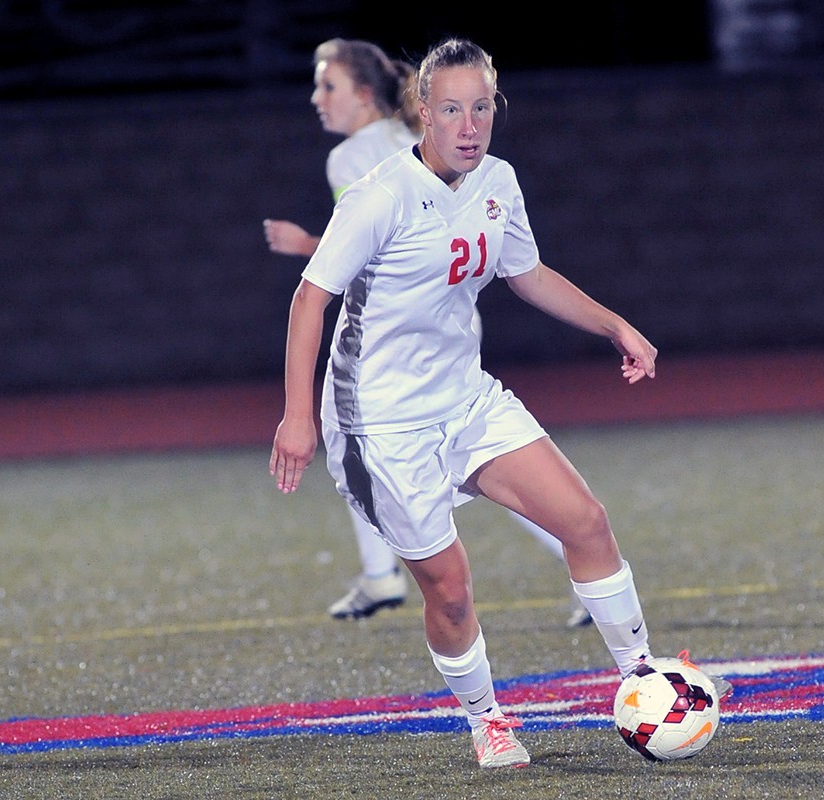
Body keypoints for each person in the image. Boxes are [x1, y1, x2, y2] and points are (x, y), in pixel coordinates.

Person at [269, 37, 660, 769]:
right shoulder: (381, 195)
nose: (469, 125)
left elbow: (528, 273)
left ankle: (644, 679)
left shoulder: (498, 183)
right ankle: (488, 722)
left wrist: (615, 325)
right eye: (451, 109)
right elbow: (309, 298)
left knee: (586, 521)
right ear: (423, 112)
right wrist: (296, 417)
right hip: (378, 424)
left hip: (467, 400)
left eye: (481, 108)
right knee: (449, 591)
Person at [263, 37, 590, 628]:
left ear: (364, 94)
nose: (317, 98)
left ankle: (386, 574)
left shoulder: (354, 158)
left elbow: (365, 249)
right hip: (453, 322)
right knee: (462, 463)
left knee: (371, 440)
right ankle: (380, 574)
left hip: (409, 338)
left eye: (328, 85)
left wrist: (304, 245)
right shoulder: (408, 141)